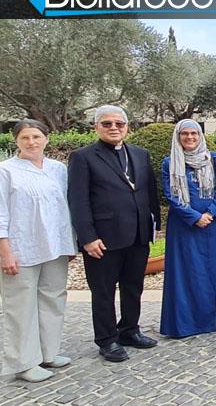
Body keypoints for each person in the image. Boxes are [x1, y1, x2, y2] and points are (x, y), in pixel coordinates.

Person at [68, 105, 161, 362]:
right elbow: (78, 200)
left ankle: (129, 330)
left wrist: (154, 227)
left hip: (138, 235)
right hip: (103, 238)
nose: (114, 128)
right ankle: (107, 340)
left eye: (119, 124)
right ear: (96, 127)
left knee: (133, 287)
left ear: (127, 127)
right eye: (107, 124)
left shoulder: (140, 155)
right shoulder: (83, 157)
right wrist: (87, 237)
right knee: (104, 292)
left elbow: (149, 193)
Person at [0, 120, 76, 382]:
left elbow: (64, 207)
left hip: (54, 245)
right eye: (25, 138)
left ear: (46, 138)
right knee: (20, 306)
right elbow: (1, 213)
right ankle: (24, 362)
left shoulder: (58, 169)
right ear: (16, 141)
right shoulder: (6, 171)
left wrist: (70, 242)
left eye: (36, 137)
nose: (31, 142)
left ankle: (48, 353)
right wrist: (5, 251)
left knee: (53, 298)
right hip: (21, 247)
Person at [159, 120, 216, 338]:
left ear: (201, 135)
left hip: (212, 224)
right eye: (185, 134)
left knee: (213, 269)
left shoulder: (214, 159)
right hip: (184, 226)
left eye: (194, 133)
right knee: (188, 272)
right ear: (178, 137)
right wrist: (194, 217)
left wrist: (210, 214)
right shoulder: (169, 163)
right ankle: (189, 320)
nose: (190, 137)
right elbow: (171, 195)